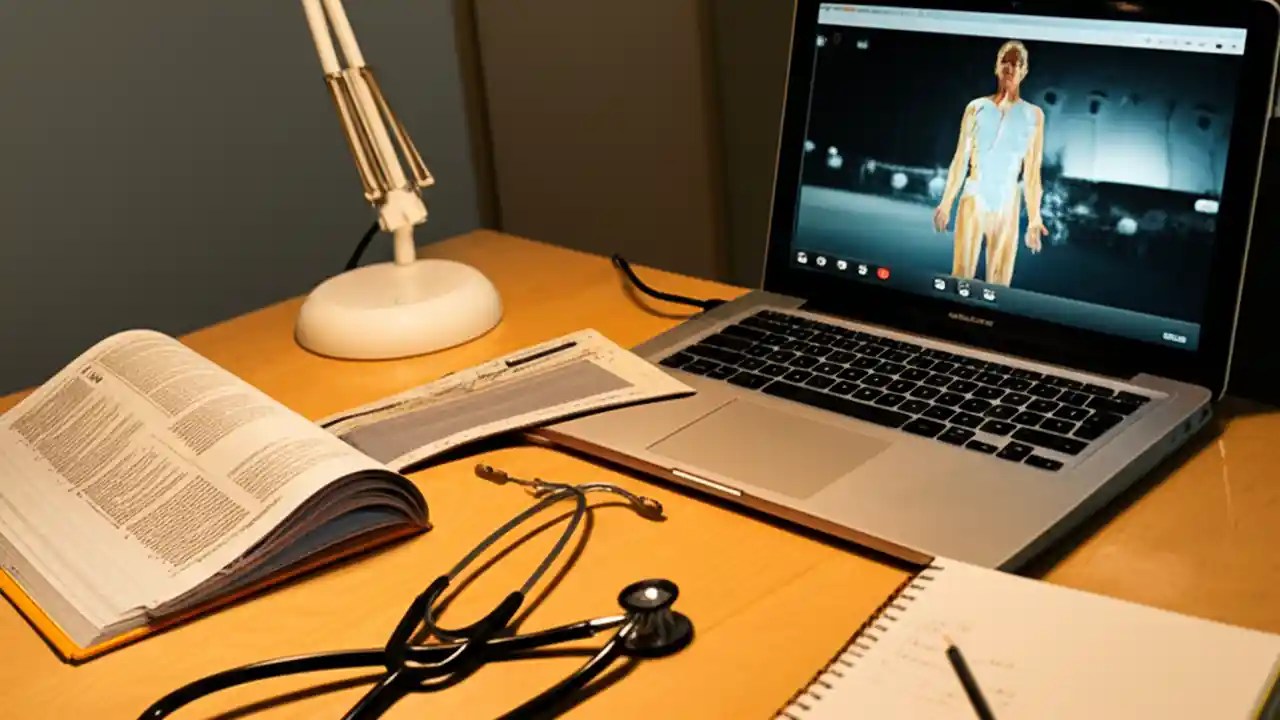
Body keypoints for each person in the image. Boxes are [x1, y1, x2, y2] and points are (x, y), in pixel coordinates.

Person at [933, 40, 1047, 286]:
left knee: (999, 284)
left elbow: (1032, 172)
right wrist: (945, 202)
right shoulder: (976, 108)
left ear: (1024, 71)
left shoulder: (1034, 115)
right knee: (961, 276)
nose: (1012, 67)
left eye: (1018, 64)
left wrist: (1035, 217)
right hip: (974, 195)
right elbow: (960, 158)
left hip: (1007, 201)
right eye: (1006, 61)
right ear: (997, 66)